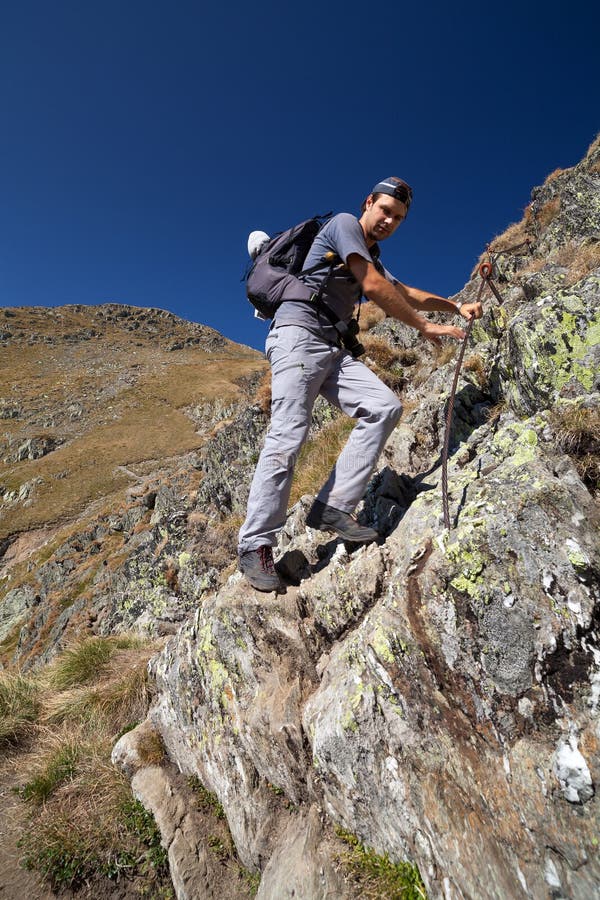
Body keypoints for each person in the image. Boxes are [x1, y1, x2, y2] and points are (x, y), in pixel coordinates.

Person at [238, 176, 483, 591]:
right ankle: (254, 545)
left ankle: (333, 507)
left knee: (384, 406)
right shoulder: (345, 223)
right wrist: (423, 327)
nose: (389, 220)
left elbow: (401, 290)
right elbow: (373, 288)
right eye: (385, 210)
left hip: (332, 347)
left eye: (398, 218)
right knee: (288, 433)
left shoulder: (371, 255)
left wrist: (456, 305)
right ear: (369, 203)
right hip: (298, 336)